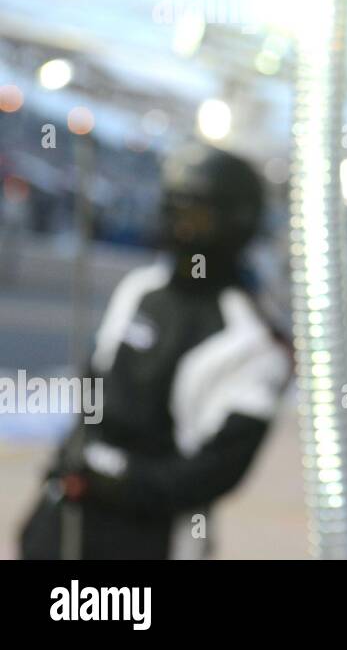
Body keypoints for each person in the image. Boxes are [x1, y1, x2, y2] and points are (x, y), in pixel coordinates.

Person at [19, 143, 291, 559]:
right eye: (172, 210)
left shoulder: (252, 343)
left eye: (193, 216)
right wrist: (63, 480)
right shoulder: (141, 288)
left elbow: (210, 475)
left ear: (234, 223)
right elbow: (93, 394)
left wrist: (110, 479)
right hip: (71, 524)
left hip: (157, 542)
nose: (178, 227)